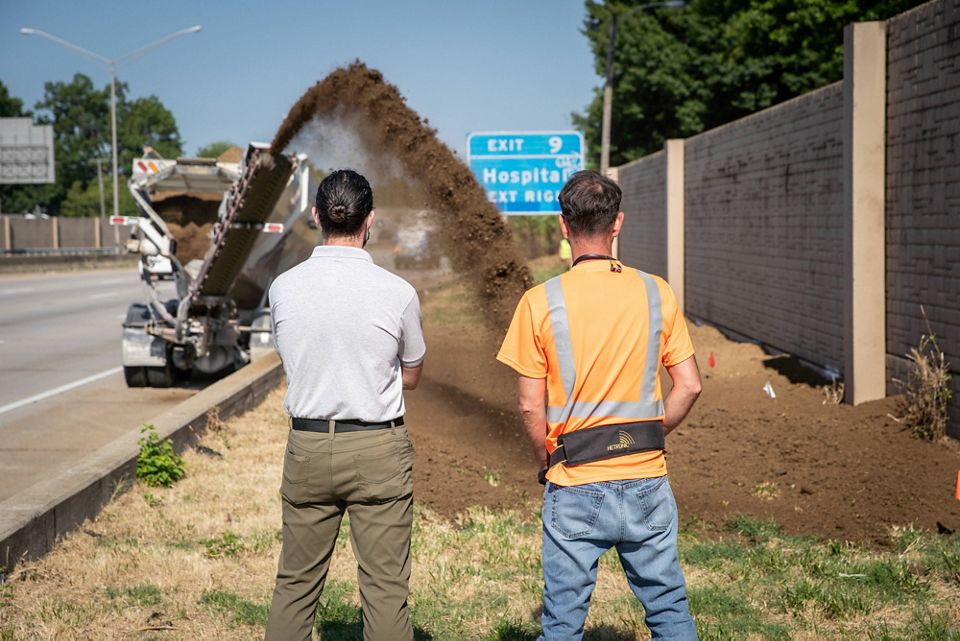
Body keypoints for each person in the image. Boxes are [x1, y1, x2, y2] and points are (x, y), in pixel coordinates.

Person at [497, 170, 702, 641]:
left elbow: (531, 407)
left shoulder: (539, 302)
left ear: (564, 227)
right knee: (669, 608)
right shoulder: (656, 292)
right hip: (647, 477)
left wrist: (546, 462)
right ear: (618, 224)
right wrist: (646, 433)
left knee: (563, 623)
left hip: (574, 481)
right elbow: (688, 385)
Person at [265, 169, 425, 641]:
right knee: (385, 588)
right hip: (378, 449)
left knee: (294, 585)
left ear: (316, 215)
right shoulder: (398, 292)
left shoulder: (283, 287)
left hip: (308, 447)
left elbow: (291, 358)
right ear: (369, 219)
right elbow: (411, 374)